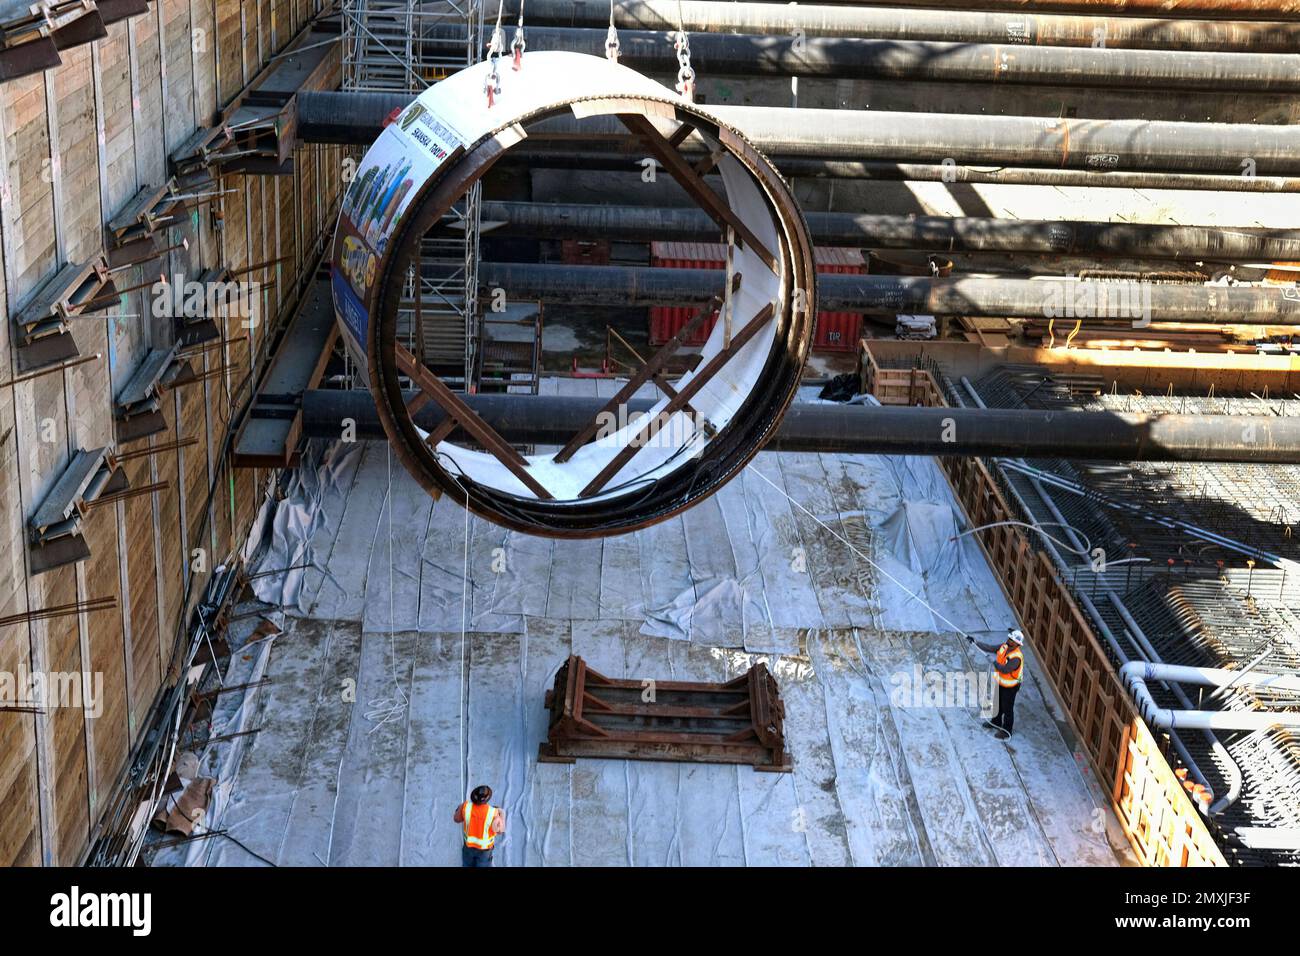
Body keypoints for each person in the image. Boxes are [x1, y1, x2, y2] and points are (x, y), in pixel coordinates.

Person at [970, 627, 1025, 740]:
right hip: (1001, 682)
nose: (1009, 641)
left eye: (1012, 641)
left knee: (1007, 708)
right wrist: (975, 642)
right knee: (997, 703)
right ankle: (996, 722)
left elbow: (1005, 669)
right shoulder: (1004, 646)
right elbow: (989, 648)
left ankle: (1006, 731)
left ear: (1017, 644)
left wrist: (994, 662)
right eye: (1009, 639)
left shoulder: (1016, 658)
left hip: (1010, 687)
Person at [454, 785, 505, 867]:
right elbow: (499, 831)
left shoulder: (466, 807)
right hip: (484, 850)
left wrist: (460, 808)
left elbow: (456, 819)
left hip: (468, 847)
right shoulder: (494, 813)